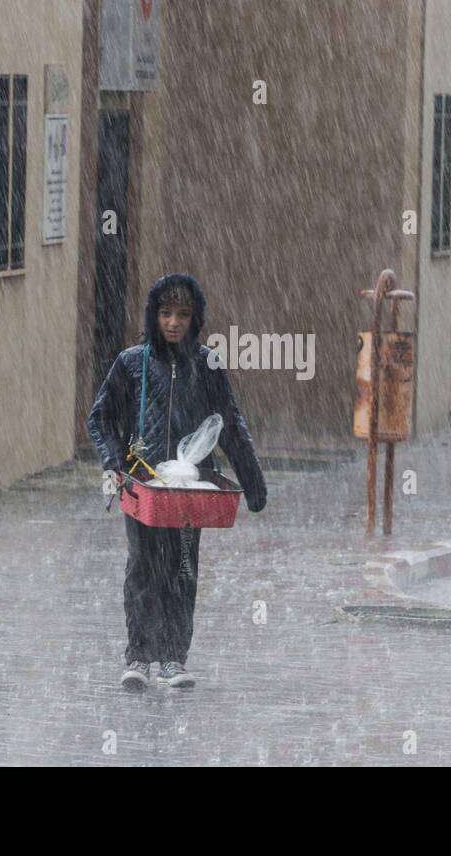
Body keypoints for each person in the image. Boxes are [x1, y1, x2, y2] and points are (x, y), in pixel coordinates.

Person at [87, 273, 266, 691]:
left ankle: (172, 657)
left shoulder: (207, 365)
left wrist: (252, 481)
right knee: (142, 567)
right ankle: (138, 655)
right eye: (166, 313)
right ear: (154, 315)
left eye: (182, 315)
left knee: (182, 569)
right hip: (142, 485)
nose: (173, 322)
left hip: (189, 489)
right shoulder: (131, 363)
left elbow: (230, 423)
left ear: (194, 318)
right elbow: (100, 417)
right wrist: (114, 462)